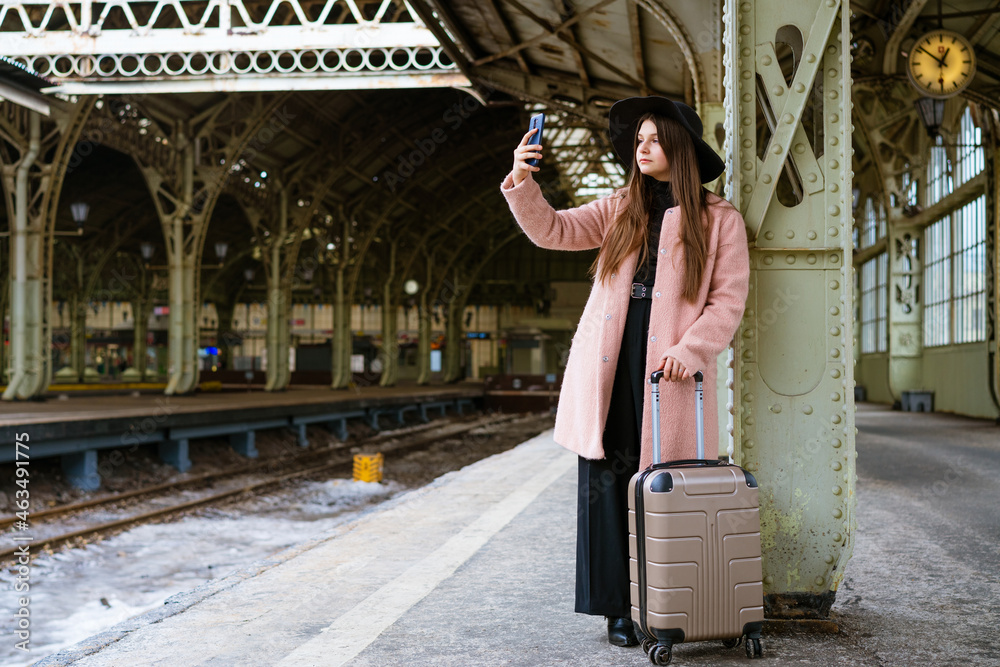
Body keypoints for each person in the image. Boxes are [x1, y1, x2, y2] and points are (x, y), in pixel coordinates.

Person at [499, 97, 750, 647]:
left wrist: (693, 348)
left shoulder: (719, 219)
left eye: (654, 140)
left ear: (680, 149)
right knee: (608, 479)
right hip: (610, 363)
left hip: (671, 370)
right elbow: (554, 230)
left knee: (663, 485)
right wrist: (522, 180)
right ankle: (616, 605)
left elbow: (728, 301)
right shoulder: (619, 208)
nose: (642, 148)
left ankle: (665, 601)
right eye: (638, 140)